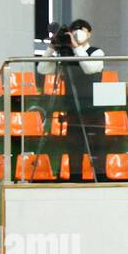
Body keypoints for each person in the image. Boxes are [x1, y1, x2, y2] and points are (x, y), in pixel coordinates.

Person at [37, 20, 105, 179]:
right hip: (73, 112)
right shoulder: (67, 56)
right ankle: (75, 181)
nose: (76, 33)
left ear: (89, 32)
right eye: (73, 30)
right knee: (74, 152)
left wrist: (76, 48)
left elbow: (89, 69)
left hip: (94, 112)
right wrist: (50, 49)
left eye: (80, 29)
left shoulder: (96, 52)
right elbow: (42, 69)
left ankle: (101, 182)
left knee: (97, 152)